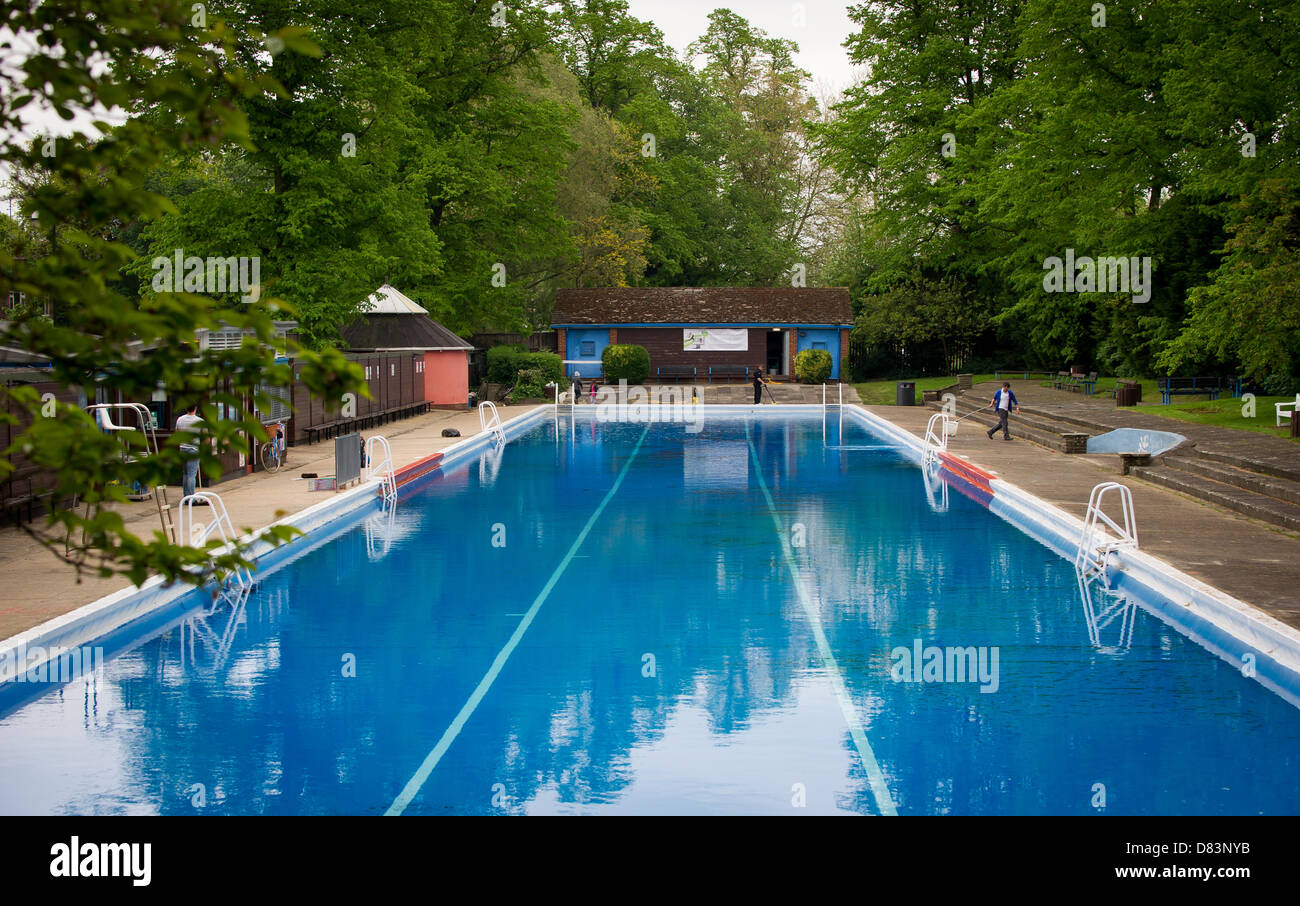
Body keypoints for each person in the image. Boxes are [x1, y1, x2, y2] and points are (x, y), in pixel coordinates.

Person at [175, 403, 205, 499]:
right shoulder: (200, 421)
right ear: (195, 408)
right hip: (194, 449)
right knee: (192, 475)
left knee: (185, 474)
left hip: (183, 449)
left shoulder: (180, 419)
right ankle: (191, 498)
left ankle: (186, 496)